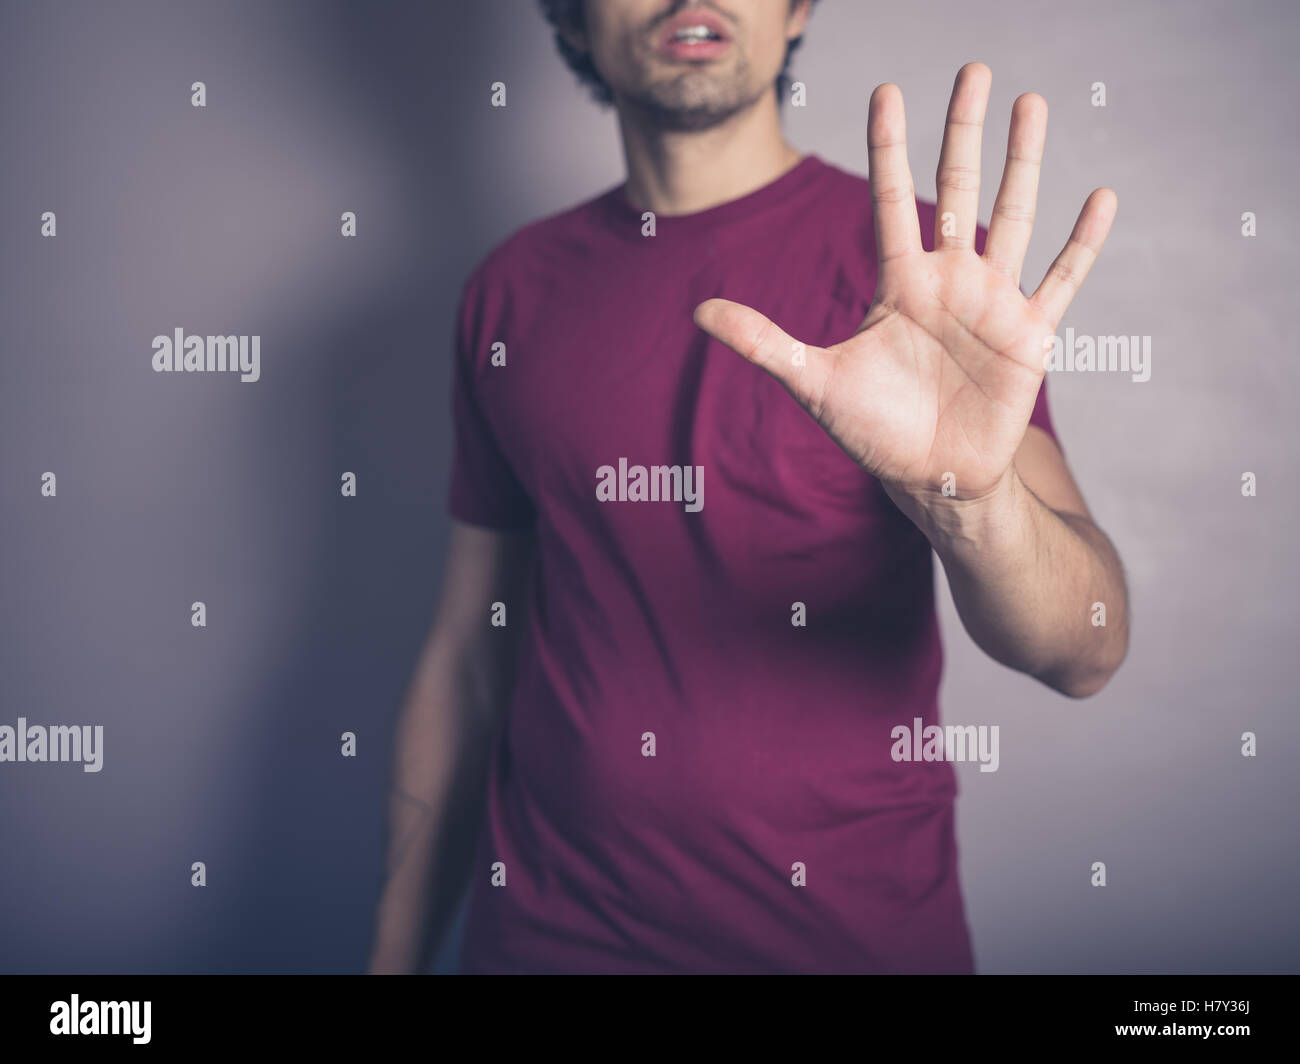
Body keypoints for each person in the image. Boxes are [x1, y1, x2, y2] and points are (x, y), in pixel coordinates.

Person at [367, 0, 1129, 975]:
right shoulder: (509, 291)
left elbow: (1086, 650)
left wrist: (968, 499)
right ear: (568, 18)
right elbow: (469, 659)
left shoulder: (929, 277)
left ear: (797, 7)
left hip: (847, 941)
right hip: (547, 939)